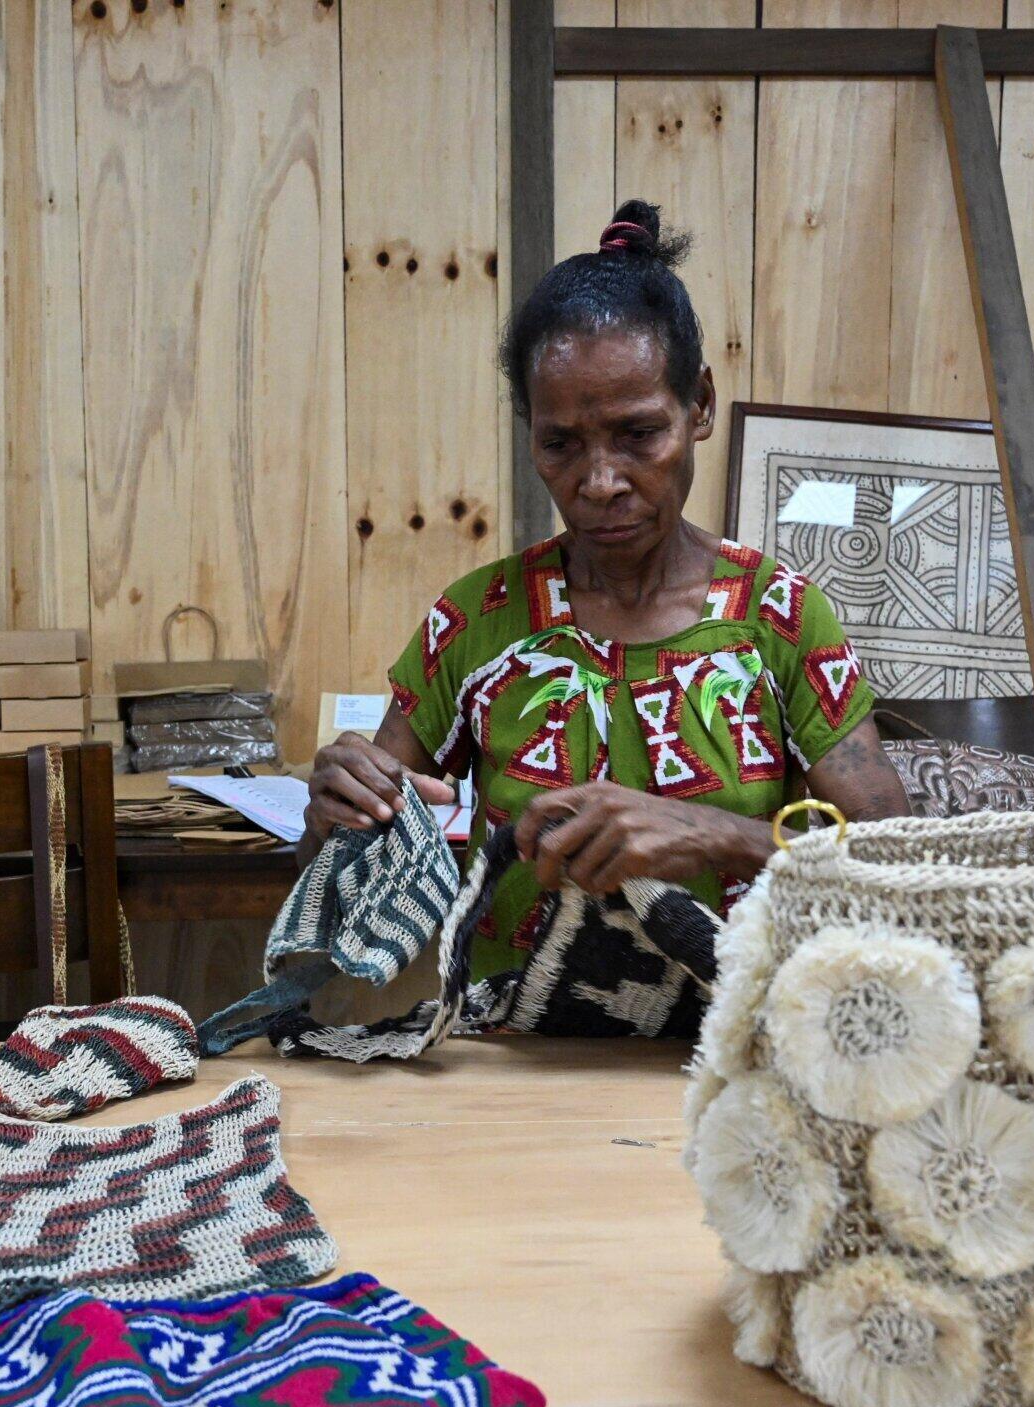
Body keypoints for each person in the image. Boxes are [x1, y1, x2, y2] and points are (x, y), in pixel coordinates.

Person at [306, 199, 909, 982]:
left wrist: (717, 834)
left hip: (733, 1036)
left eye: (638, 434)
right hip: (512, 1043)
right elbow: (347, 883)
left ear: (699, 404)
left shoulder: (780, 619)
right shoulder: (478, 621)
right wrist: (333, 815)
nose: (599, 482)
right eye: (560, 443)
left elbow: (897, 879)